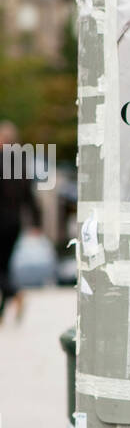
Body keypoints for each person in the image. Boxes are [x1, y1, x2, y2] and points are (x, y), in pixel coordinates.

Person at [0, 120, 41, 324]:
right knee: (5, 267)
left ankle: (16, 293)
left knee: (3, 269)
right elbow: (30, 196)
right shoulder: (19, 162)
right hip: (15, 222)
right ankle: (2, 312)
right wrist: (36, 223)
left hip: (1, 221)